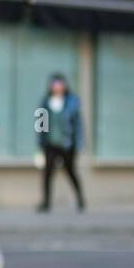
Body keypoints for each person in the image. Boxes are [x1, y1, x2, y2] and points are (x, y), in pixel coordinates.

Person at [36, 73, 84, 212]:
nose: (57, 87)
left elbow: (78, 125)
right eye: (54, 84)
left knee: (71, 171)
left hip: (67, 144)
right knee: (47, 174)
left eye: (59, 84)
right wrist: (40, 142)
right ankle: (46, 202)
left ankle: (80, 199)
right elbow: (40, 123)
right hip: (50, 144)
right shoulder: (45, 101)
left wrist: (78, 143)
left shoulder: (72, 102)